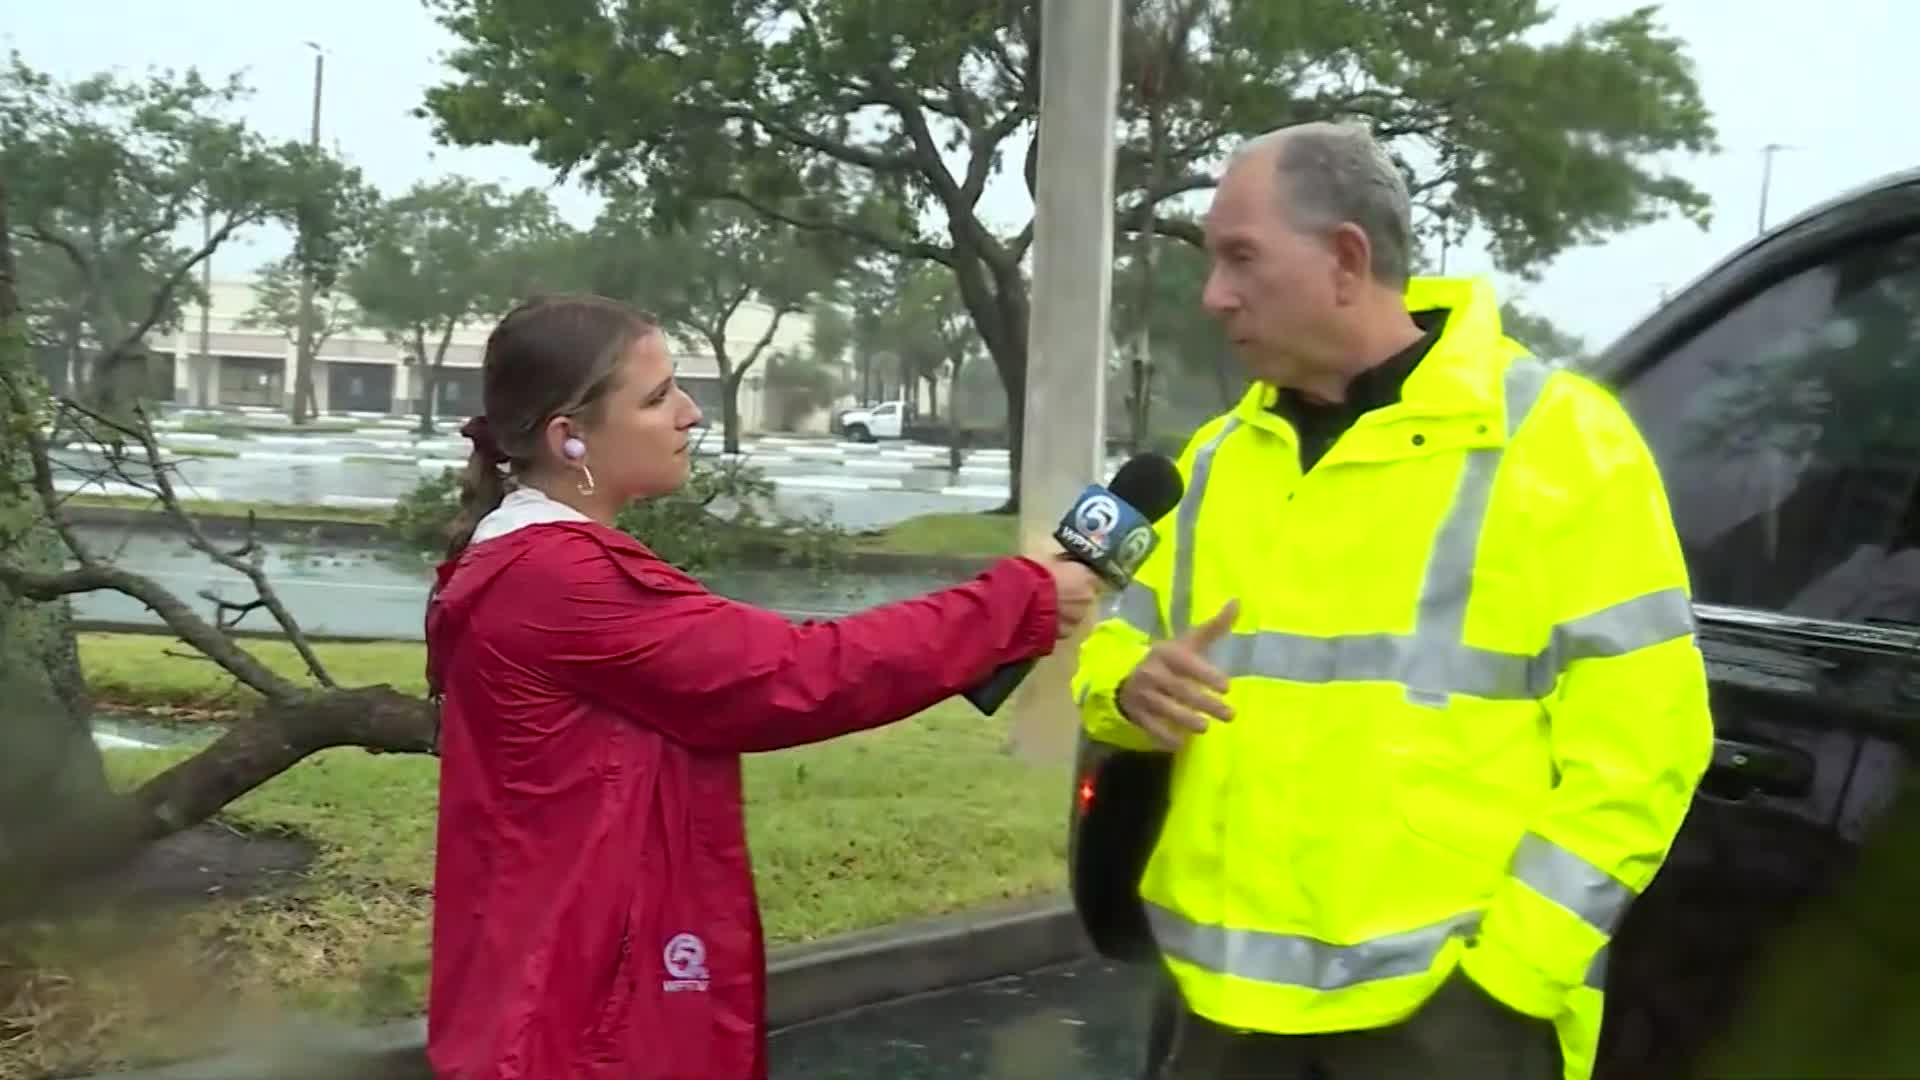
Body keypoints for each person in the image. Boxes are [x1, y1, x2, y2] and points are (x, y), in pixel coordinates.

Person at [1072, 122, 1714, 1080]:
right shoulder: (1212, 464)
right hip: (1217, 1016)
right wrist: (1128, 690)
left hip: (1444, 1027)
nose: (1214, 295)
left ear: (1345, 259)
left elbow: (1645, 742)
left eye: (1240, 258)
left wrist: (1508, 981)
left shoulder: (1554, 444)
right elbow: (1111, 649)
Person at [422, 293, 1100, 1079]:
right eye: (657, 397)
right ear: (568, 437)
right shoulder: (560, 579)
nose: (690, 415)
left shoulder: (529, 563)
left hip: (558, 989)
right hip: (578, 1025)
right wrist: (1017, 602)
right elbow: (798, 672)